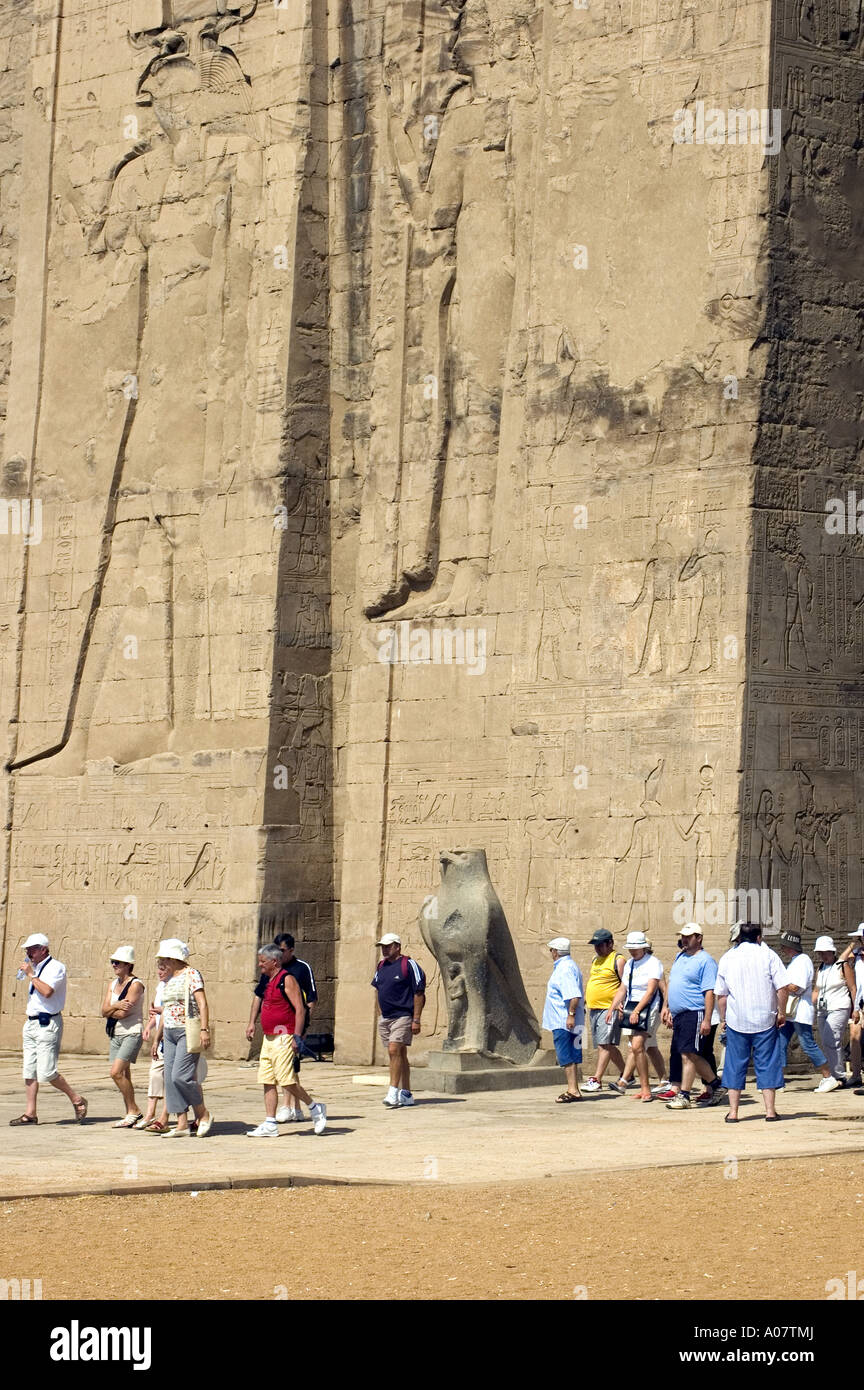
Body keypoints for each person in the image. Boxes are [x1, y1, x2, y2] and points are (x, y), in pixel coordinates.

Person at [246, 945, 327, 1137]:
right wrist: (252, 1023)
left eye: (262, 961)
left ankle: (315, 1107)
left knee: (287, 1081)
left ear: (274, 962)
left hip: (284, 1036)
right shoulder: (267, 980)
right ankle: (270, 1123)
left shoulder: (287, 979)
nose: (260, 965)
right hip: (269, 1037)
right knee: (267, 1079)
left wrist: (297, 1037)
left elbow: (300, 1008)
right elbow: (261, 1002)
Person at [9, 933, 87, 1126]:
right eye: (27, 949)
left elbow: (47, 991)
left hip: (47, 1023)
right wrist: (30, 972)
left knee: (47, 1072)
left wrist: (30, 974)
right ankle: (30, 1113)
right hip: (31, 1022)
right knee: (29, 1070)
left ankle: (77, 1099)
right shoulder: (36, 967)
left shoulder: (56, 967)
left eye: (32, 949)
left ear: (43, 949)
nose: (29, 953)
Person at [715, 922, 788, 1122]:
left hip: (737, 1019)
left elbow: (721, 994)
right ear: (759, 937)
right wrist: (781, 1012)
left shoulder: (728, 957)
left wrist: (724, 1018)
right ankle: (770, 1111)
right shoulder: (769, 955)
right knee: (767, 1063)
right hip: (764, 1018)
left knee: (734, 1064)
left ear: (738, 937)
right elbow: (782, 987)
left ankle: (733, 1112)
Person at [152, 938, 213, 1137]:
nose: (163, 962)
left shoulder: (191, 974)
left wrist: (204, 1029)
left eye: (166, 958)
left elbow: (202, 1003)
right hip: (169, 1031)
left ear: (175, 958)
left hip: (187, 1030)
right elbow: (166, 1010)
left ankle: (203, 1114)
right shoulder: (169, 979)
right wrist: (157, 1037)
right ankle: (181, 1124)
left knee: (181, 1076)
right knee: (169, 1079)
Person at [662, 924, 722, 1109]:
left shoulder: (706, 961)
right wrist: (667, 1007)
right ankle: (716, 1084)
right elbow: (674, 984)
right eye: (683, 936)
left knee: (689, 1054)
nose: (684, 939)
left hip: (694, 1012)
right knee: (689, 1054)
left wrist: (707, 1019)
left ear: (699, 938)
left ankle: (684, 1095)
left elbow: (709, 992)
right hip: (680, 1013)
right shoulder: (680, 956)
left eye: (688, 936)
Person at [606, 931, 664, 1102]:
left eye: (636, 948)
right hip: (631, 1007)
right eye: (631, 948)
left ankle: (646, 1088)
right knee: (636, 1048)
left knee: (638, 1045)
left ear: (643, 947)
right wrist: (612, 1007)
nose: (632, 951)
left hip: (648, 1007)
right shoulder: (630, 963)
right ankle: (644, 1086)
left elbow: (651, 990)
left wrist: (638, 1010)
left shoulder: (653, 963)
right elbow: (623, 988)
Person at [371, 932, 426, 1108]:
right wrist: (380, 1011)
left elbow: (419, 993)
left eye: (388, 946)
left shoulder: (409, 965)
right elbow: (378, 988)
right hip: (386, 1017)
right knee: (400, 1054)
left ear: (397, 946)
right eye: (382, 947)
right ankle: (407, 1093)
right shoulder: (381, 966)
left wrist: (416, 1019)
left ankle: (393, 1092)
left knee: (394, 1050)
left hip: (403, 1015)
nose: (384, 950)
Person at [777, 930, 834, 1090]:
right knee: (780, 1042)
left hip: (800, 1011)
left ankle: (828, 1076)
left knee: (807, 1043)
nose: (782, 948)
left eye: (784, 945)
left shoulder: (802, 961)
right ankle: (777, 1080)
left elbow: (797, 987)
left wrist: (779, 983)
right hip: (790, 1013)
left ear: (789, 946)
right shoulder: (795, 961)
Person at [101, 946, 145, 1127]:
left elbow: (123, 1014)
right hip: (115, 1033)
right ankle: (130, 1112)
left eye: (117, 962)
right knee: (124, 1074)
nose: (114, 965)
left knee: (116, 1072)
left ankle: (135, 1109)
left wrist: (113, 1009)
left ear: (128, 965)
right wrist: (117, 1005)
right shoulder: (113, 984)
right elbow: (103, 1011)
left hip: (131, 1032)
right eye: (113, 962)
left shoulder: (136, 984)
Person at [583, 929, 626, 1092]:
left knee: (605, 1044)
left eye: (600, 945)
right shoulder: (596, 960)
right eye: (595, 945)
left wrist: (621, 1004)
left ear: (610, 943)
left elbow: (625, 984)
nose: (597, 948)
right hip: (594, 1008)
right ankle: (626, 1073)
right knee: (607, 1045)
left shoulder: (618, 959)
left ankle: (597, 1079)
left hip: (609, 1009)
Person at [542, 938, 585, 1103]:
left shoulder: (565, 969)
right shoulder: (569, 966)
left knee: (566, 1055)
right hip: (568, 1019)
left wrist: (571, 1014)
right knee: (572, 1055)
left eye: (551, 950)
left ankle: (573, 1090)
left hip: (564, 1020)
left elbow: (573, 995)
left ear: (555, 952)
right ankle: (574, 1089)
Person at [812, 935, 855, 1086]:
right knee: (825, 1041)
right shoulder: (821, 968)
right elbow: (817, 990)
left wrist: (855, 1008)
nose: (823, 955)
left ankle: (839, 1075)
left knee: (832, 1039)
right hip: (823, 1009)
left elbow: (852, 987)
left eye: (826, 952)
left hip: (839, 1006)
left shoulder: (842, 966)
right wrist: (812, 1004)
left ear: (832, 951)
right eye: (820, 953)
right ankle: (835, 1073)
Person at [136, 968, 169, 1132]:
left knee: (173, 1079)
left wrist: (160, 1013)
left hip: (170, 1036)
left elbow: (171, 1011)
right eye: (159, 968)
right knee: (155, 1073)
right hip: (160, 1036)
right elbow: (157, 1013)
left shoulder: (173, 984)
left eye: (163, 968)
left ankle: (166, 1115)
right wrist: (149, 1026)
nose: (159, 971)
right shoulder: (160, 986)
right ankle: (150, 1114)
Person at [839, 925, 864, 1088]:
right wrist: (853, 944)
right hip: (860, 1001)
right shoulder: (857, 954)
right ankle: (856, 1074)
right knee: (854, 1036)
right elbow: (841, 960)